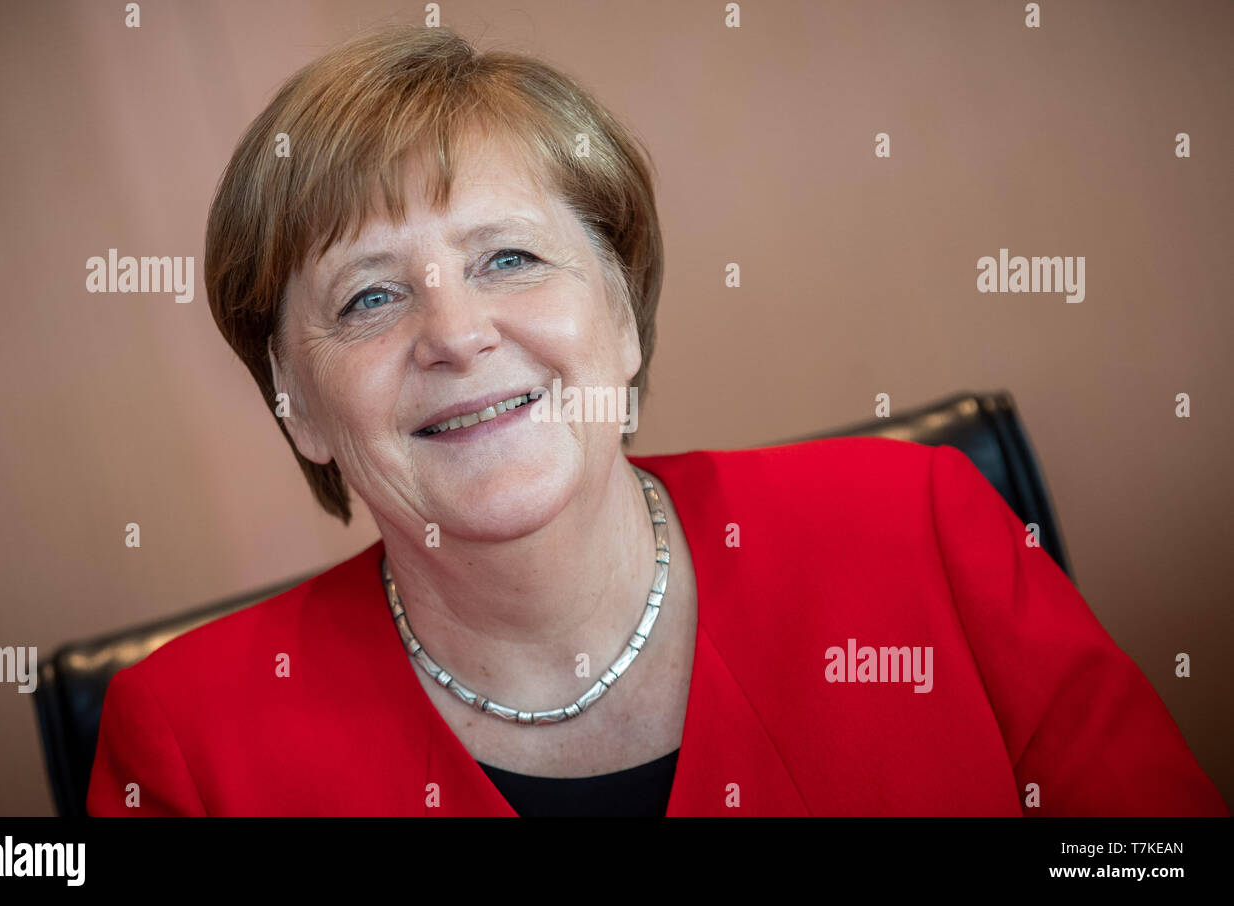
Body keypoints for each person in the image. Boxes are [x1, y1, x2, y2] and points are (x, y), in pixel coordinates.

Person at [86, 25, 1228, 817]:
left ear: (624, 321)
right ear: (299, 412)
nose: (456, 332)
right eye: (370, 295)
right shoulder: (189, 744)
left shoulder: (916, 525)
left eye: (510, 258)